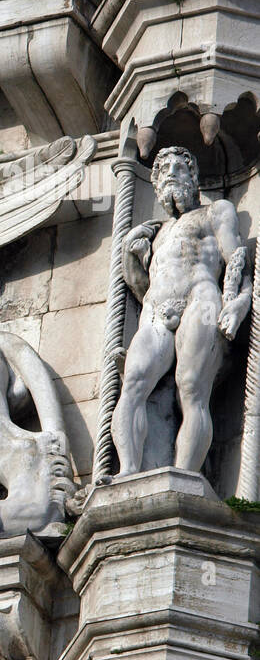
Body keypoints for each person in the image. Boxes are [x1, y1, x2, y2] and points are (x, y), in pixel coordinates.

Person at [112, 146, 251, 475]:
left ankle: (186, 476)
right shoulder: (155, 233)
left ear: (194, 178)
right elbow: (140, 287)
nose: (171, 173)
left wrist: (238, 303)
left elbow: (238, 260)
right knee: (132, 384)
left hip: (200, 301)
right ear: (156, 184)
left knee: (191, 390)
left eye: (180, 168)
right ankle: (128, 472)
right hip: (156, 309)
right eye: (163, 171)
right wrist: (130, 253)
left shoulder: (215, 211)